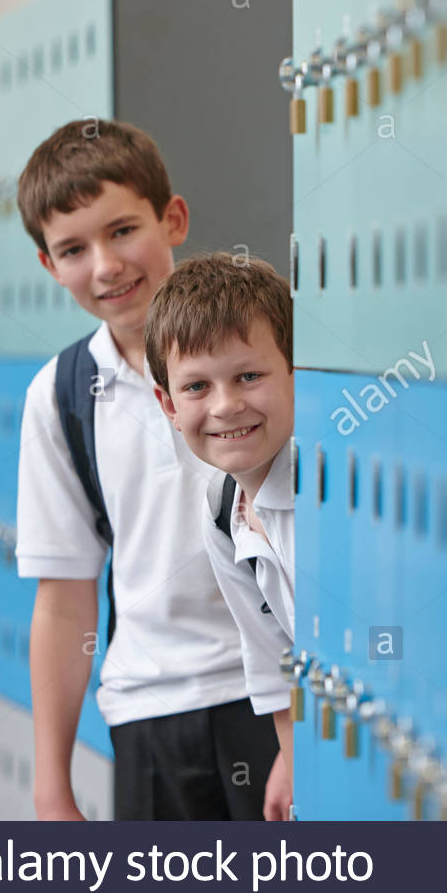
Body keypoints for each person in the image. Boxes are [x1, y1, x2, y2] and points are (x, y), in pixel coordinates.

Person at [14, 119, 289, 820]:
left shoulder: (261, 362)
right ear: (49, 265)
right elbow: (65, 596)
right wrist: (52, 783)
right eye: (73, 248)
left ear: (173, 219)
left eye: (122, 230)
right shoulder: (62, 394)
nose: (105, 265)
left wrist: (293, 727)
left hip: (271, 701)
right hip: (150, 709)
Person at [143, 251, 294, 784]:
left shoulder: (323, 498)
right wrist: (292, 762)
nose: (226, 406)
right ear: (168, 405)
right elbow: (271, 653)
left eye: (249, 375)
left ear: (298, 372)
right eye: (197, 387)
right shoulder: (221, 510)